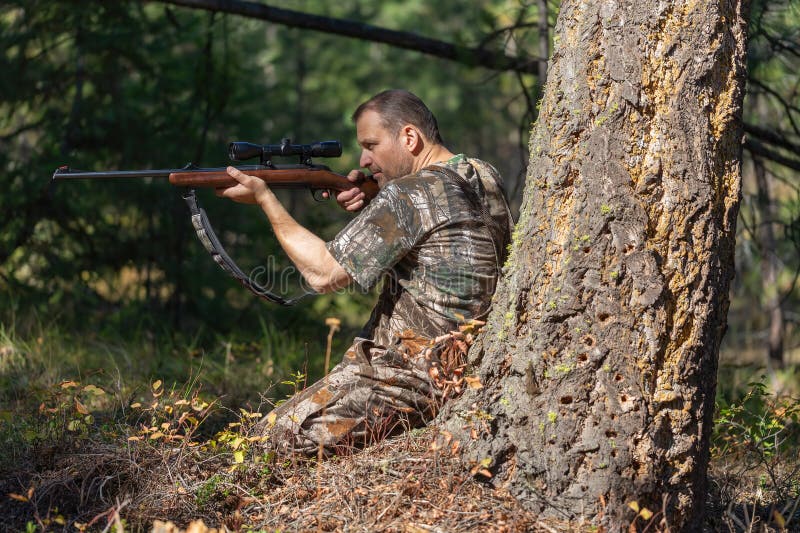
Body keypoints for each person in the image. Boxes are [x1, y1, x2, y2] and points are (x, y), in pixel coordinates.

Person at [216, 89, 513, 455]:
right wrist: (376, 197)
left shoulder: (408, 194)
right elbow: (445, 229)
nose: (364, 159)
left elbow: (322, 274)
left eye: (371, 145)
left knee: (266, 445)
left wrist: (265, 199)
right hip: (462, 366)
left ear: (409, 137)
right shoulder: (484, 175)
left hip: (406, 380)